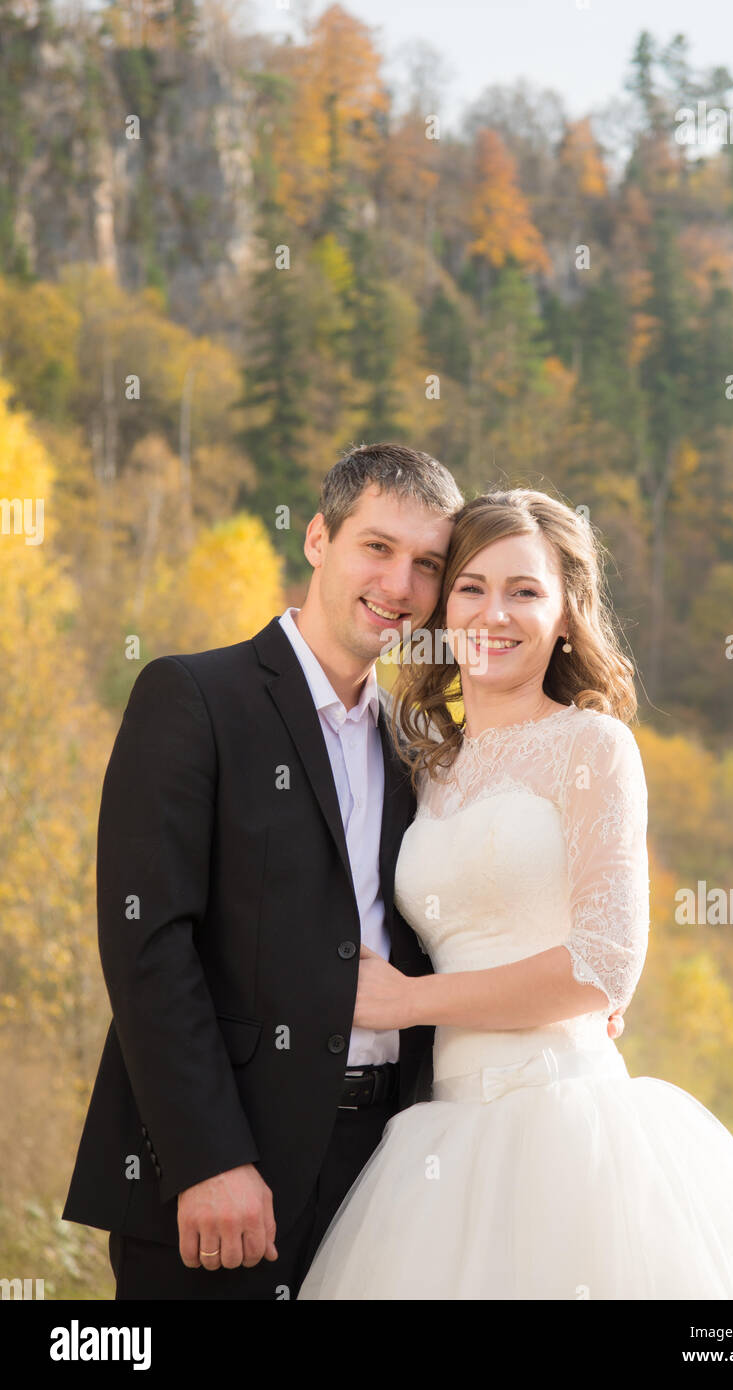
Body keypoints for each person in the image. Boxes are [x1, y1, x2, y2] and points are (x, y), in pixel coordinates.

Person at [61, 442, 630, 1299]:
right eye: (377, 548)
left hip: (392, 1163)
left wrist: (572, 998)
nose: (400, 585)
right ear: (318, 539)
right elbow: (147, 947)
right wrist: (207, 1159)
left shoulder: (420, 753)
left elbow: (453, 922)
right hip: (227, 1170)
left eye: (427, 564)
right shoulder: (195, 699)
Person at [297, 487, 733, 1300]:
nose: (493, 613)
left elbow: (602, 965)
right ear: (442, 606)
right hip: (438, 1132)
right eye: (471, 587)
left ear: (566, 614)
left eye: (525, 591)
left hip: (564, 1123)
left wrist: (411, 1002)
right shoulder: (421, 769)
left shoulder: (591, 747)